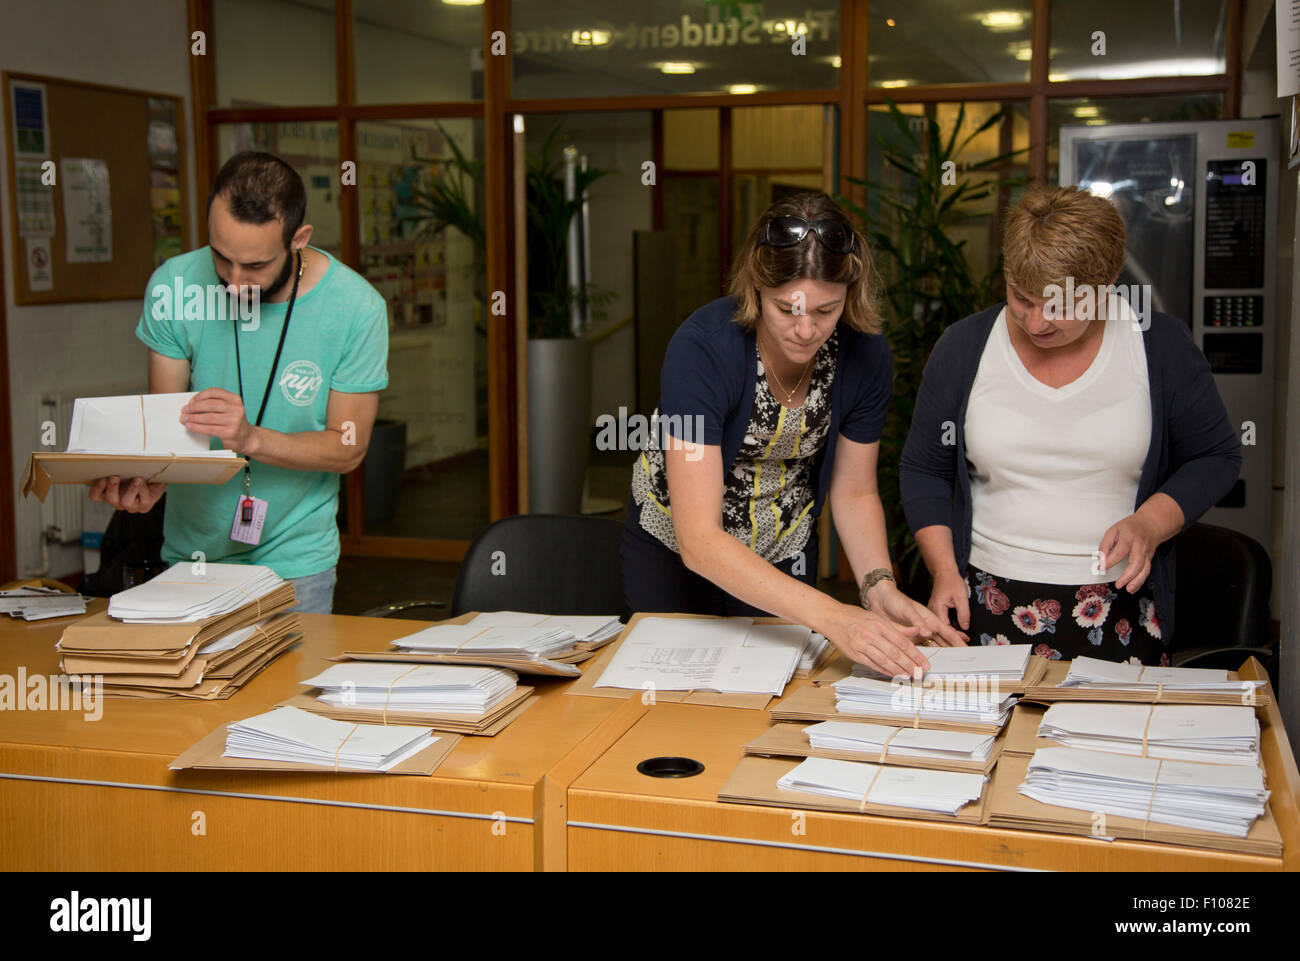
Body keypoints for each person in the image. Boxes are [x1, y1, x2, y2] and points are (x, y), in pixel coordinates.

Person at [621, 191, 965, 677]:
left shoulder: (866, 355)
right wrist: (834, 615)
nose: (806, 330)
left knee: (772, 689)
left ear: (850, 294)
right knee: (676, 695)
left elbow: (856, 490)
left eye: (826, 311)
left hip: (782, 542)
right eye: (786, 308)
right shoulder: (700, 349)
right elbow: (698, 538)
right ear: (756, 287)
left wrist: (877, 587)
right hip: (675, 553)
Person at [900, 185, 1241, 664]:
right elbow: (924, 470)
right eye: (1021, 298)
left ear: (1107, 285)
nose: (1037, 322)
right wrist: (943, 572)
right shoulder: (964, 348)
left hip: (1117, 606)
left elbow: (1216, 457)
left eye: (1060, 306)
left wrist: (1151, 522)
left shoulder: (1157, 346)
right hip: (985, 604)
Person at [89, 151, 389, 614]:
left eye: (254, 266)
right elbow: (170, 434)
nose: (233, 282)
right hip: (192, 555)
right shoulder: (174, 286)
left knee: (286, 688)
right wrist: (149, 482)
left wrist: (250, 438)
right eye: (220, 257)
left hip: (296, 559)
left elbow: (347, 447)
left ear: (299, 239)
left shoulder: (356, 308)